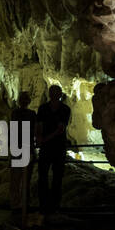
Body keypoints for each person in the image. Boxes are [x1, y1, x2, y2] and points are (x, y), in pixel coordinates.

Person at [37, 84, 70, 217]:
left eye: (56, 92)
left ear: (60, 94)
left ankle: (54, 206)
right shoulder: (43, 108)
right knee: (43, 177)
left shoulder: (65, 109)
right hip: (47, 148)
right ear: (49, 94)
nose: (54, 94)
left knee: (57, 178)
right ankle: (44, 205)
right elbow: (38, 124)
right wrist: (38, 137)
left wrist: (43, 139)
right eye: (52, 92)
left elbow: (61, 128)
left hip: (58, 147)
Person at [9, 91, 36, 224]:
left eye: (25, 99)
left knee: (22, 178)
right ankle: (19, 204)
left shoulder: (20, 113)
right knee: (18, 178)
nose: (24, 101)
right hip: (22, 146)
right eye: (23, 99)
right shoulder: (21, 113)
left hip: (22, 147)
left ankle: (21, 204)